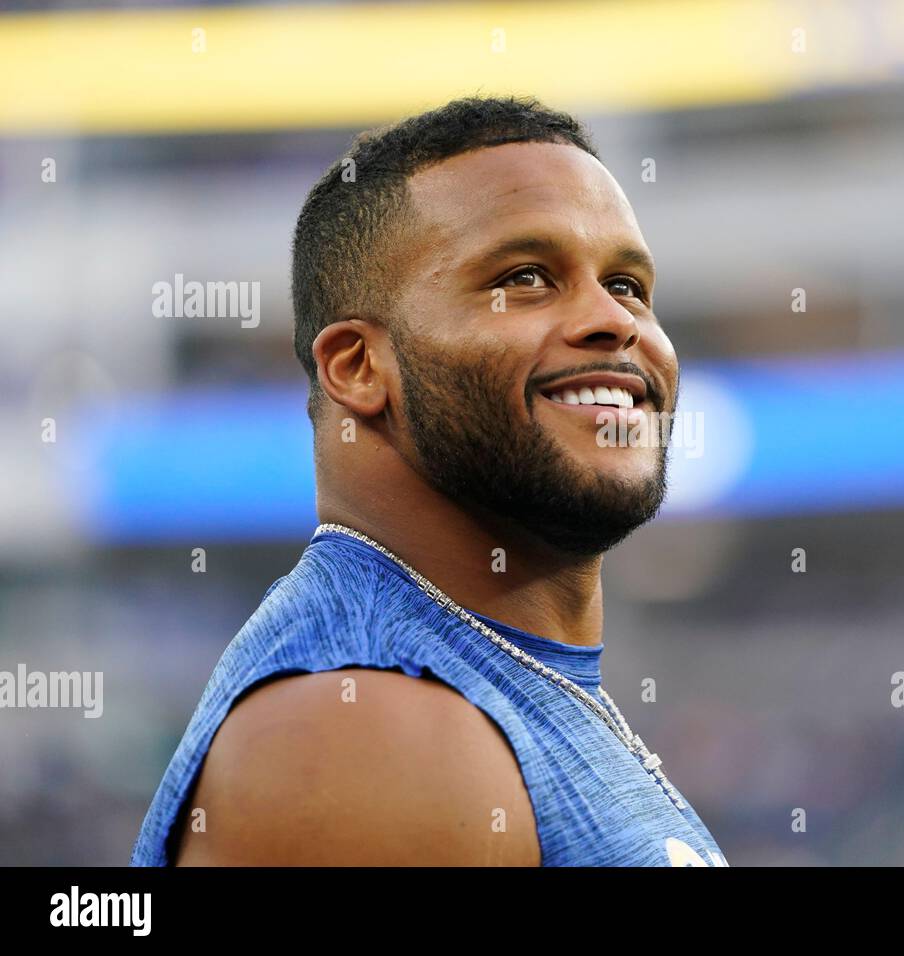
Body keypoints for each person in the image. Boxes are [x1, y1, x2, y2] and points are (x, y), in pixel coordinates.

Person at [129, 95, 728, 867]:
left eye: (628, 285)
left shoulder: (498, 685)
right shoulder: (367, 730)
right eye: (526, 277)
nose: (615, 322)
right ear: (357, 367)